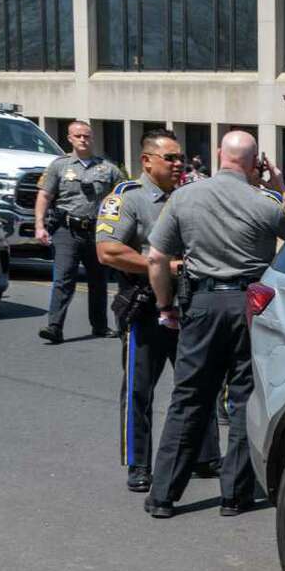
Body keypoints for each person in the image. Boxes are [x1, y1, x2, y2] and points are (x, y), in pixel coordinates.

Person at [142, 130, 285, 519]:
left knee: (189, 398)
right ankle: (236, 495)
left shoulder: (185, 196)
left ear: (218, 155)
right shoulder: (265, 202)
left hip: (203, 303)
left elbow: (155, 259)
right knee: (247, 398)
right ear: (255, 164)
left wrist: (166, 305)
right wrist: (281, 187)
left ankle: (163, 495)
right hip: (251, 305)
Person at [95, 128, 218, 494]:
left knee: (199, 383)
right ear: (147, 160)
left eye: (181, 158)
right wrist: (163, 267)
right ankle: (138, 463)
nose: (178, 163)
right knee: (139, 389)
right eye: (171, 158)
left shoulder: (189, 195)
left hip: (190, 305)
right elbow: (108, 251)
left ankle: (204, 455)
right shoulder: (127, 199)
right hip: (145, 306)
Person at [34, 121, 125, 344]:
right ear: (70, 139)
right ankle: (54, 326)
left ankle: (100, 325)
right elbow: (44, 195)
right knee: (64, 279)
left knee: (98, 281)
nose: (83, 139)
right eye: (78, 136)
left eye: (86, 136)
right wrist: (39, 225)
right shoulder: (59, 166)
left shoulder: (108, 168)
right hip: (67, 229)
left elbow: (123, 197)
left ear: (92, 138)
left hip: (97, 231)